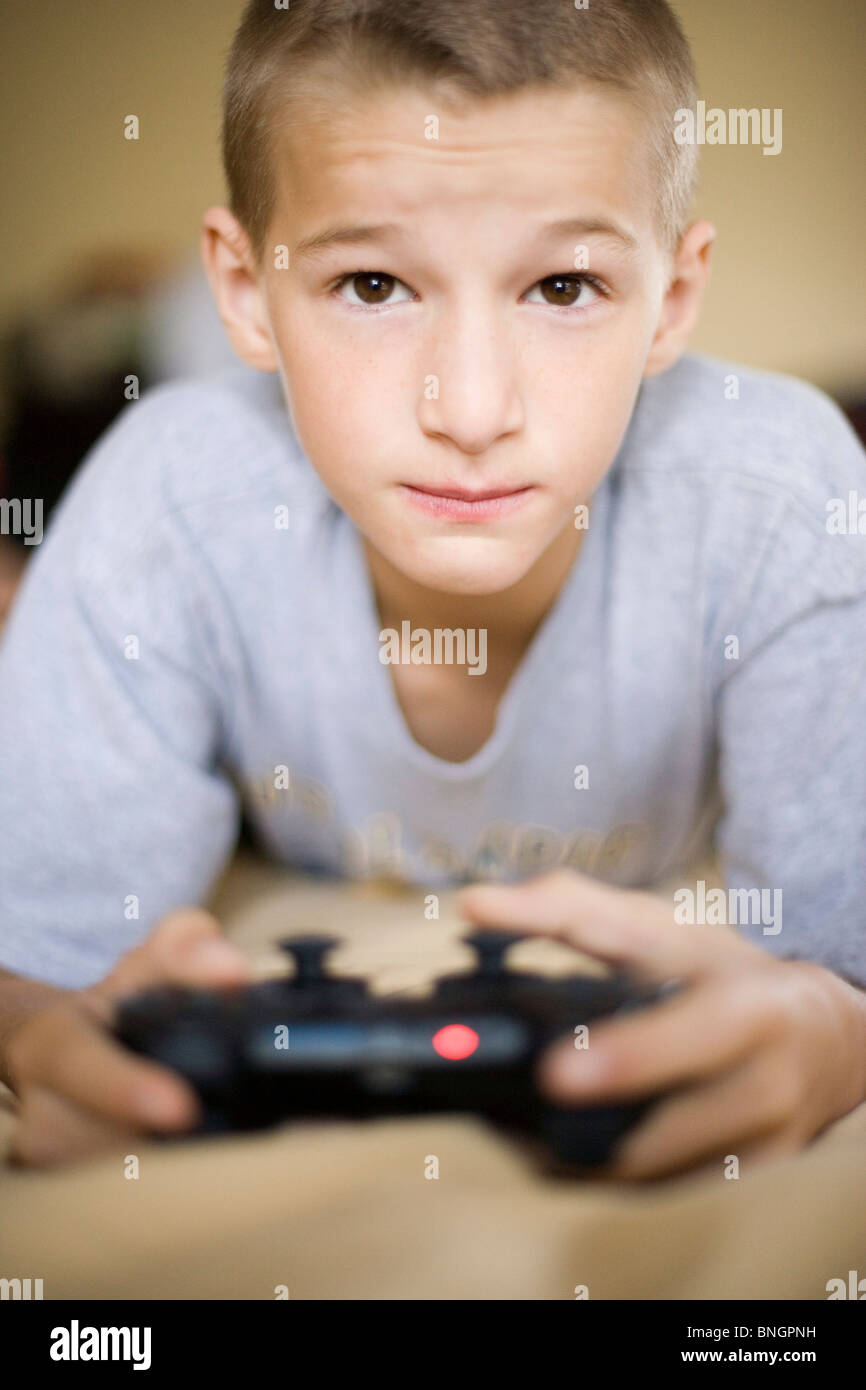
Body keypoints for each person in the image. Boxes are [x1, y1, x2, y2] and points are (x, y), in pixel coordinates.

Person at [1, 0, 864, 1178]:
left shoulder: (779, 496)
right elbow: (39, 973)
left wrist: (835, 1032)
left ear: (670, 299)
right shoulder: (169, 503)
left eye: (562, 288)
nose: (467, 411)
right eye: (370, 285)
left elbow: (843, 972)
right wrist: (46, 1035)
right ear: (247, 291)